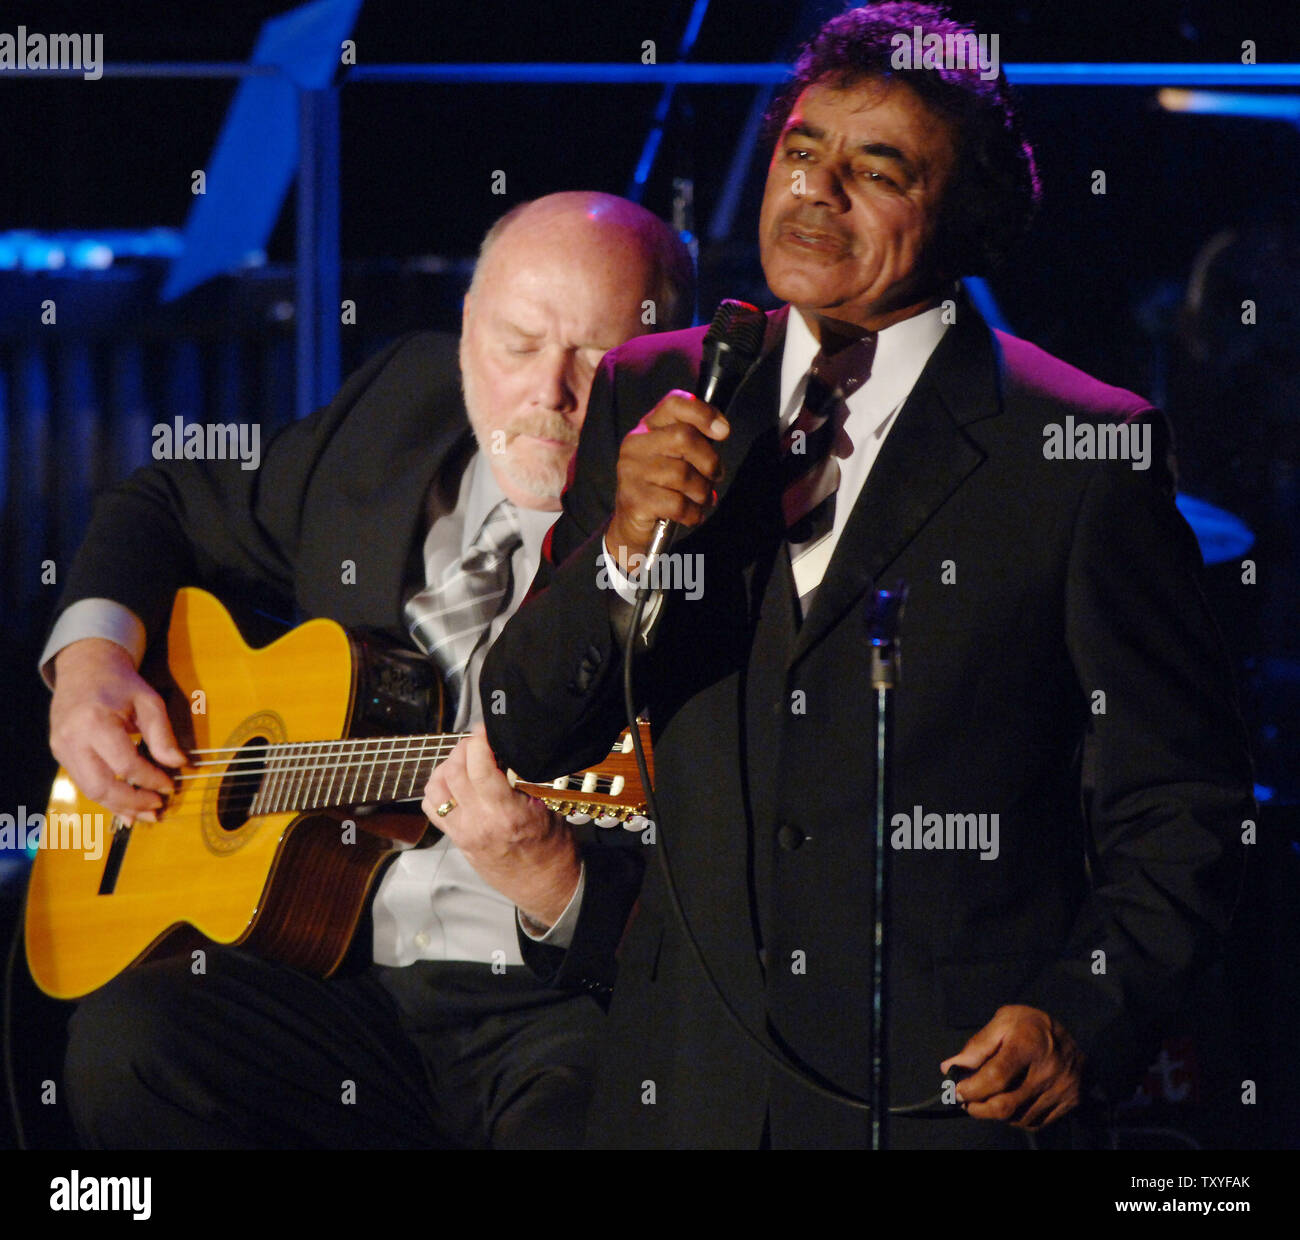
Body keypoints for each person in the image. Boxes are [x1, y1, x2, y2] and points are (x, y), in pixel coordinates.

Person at [479, 3, 1254, 1149]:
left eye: (874, 167)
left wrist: (1085, 1011)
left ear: (966, 214)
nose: (814, 188)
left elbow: (1182, 805)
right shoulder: (656, 391)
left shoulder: (1078, 451)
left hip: (936, 1096)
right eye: (800, 150)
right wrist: (625, 549)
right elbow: (525, 724)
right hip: (684, 1087)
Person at [43, 190, 691, 1149]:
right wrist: (93, 662)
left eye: (597, 360)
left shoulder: (706, 550)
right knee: (130, 1045)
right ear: (466, 333)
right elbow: (168, 499)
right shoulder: (396, 412)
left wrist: (557, 880)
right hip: (336, 976)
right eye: (518, 344)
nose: (550, 395)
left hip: (557, 1008)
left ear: (672, 373)